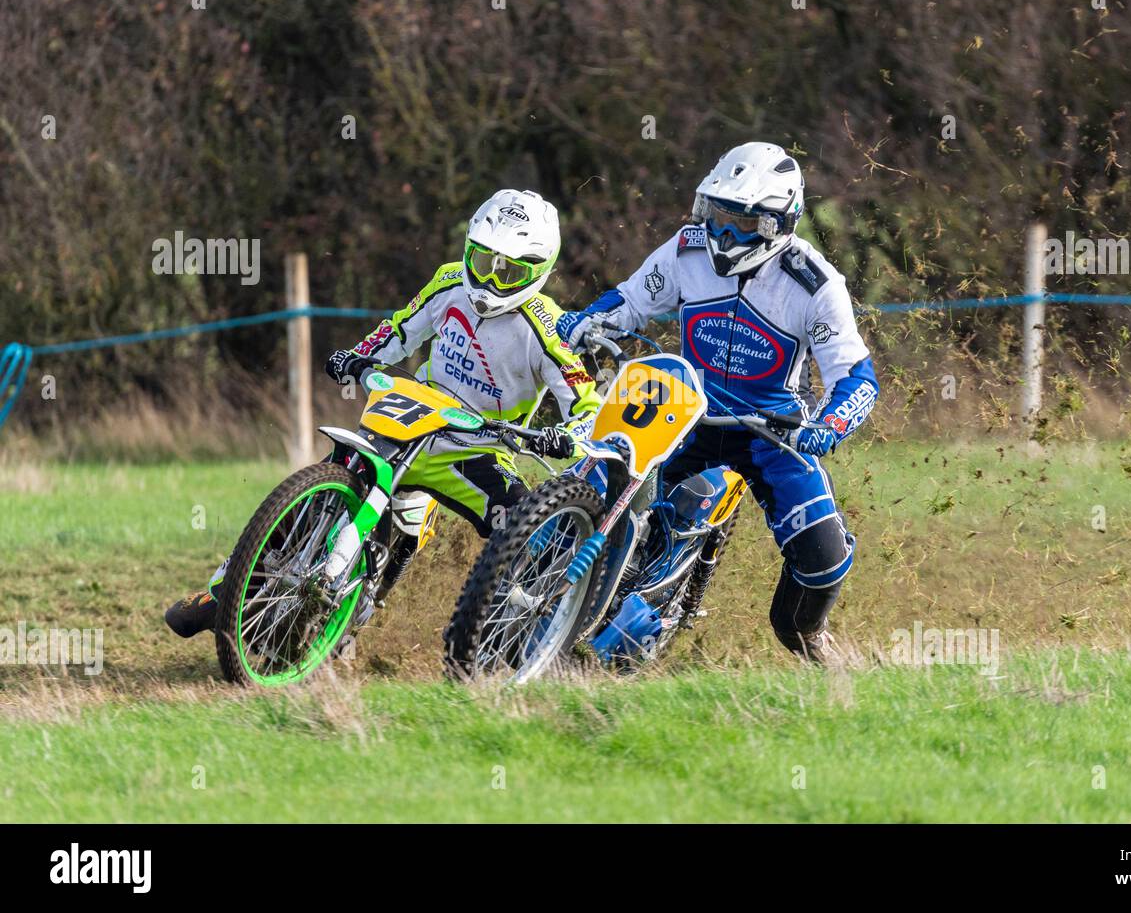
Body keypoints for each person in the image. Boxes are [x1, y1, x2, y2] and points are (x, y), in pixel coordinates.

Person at [166, 189, 600, 638]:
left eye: (508, 272)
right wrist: (356, 356)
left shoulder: (549, 328)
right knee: (319, 493)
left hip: (479, 448)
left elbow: (588, 408)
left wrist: (566, 435)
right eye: (482, 260)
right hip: (413, 415)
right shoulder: (450, 281)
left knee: (529, 529)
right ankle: (224, 588)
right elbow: (399, 329)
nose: (489, 280)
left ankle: (536, 627)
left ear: (539, 272)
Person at [557, 143, 878, 662]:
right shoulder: (686, 249)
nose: (724, 234)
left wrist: (830, 425)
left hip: (770, 428)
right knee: (596, 479)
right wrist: (586, 321)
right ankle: (536, 575)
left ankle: (810, 636)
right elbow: (633, 299)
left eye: (743, 224)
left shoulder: (816, 285)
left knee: (823, 558)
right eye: (718, 215)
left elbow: (857, 377)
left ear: (780, 224)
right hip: (684, 403)